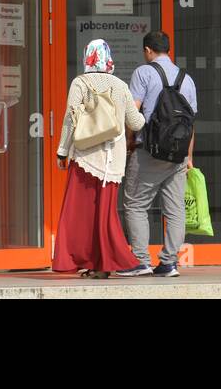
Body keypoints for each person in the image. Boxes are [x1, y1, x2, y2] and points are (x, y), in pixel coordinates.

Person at [53, 39, 145, 278]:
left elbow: (70, 119)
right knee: (105, 215)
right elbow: (135, 123)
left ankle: (83, 259)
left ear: (87, 58)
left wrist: (62, 150)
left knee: (78, 215)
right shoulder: (121, 86)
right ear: (108, 59)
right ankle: (103, 264)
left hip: (85, 157)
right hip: (112, 161)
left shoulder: (80, 83)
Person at [117, 30, 197, 278]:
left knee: (136, 204)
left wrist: (130, 142)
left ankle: (141, 261)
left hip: (149, 152)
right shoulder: (187, 79)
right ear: (168, 50)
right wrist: (189, 156)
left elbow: (133, 112)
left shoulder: (144, 72)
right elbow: (190, 123)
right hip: (178, 155)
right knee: (175, 210)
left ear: (148, 51)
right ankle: (169, 263)